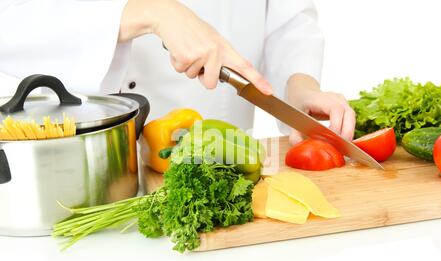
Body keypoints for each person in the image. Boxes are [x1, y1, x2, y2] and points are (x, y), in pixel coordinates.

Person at [0, 0, 355, 143]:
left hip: (221, 162)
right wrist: (145, 11)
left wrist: (300, 85)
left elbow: (288, 18)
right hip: (74, 163)